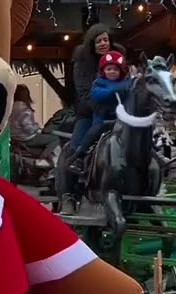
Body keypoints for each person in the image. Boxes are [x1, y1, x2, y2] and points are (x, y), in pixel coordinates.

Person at [58, 24, 125, 210]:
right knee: (75, 147)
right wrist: (101, 107)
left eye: (106, 39)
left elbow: (125, 80)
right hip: (90, 112)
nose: (103, 43)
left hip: (118, 112)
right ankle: (68, 195)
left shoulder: (118, 58)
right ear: (92, 43)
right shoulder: (82, 61)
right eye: (99, 41)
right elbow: (83, 92)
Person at [68, 51, 131, 174]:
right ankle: (80, 156)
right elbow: (96, 95)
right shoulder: (99, 83)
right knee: (94, 131)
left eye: (115, 69)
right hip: (104, 120)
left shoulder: (126, 84)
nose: (112, 71)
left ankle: (152, 152)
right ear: (103, 70)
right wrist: (112, 91)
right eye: (109, 69)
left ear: (121, 71)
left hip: (123, 121)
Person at [9, 84, 57, 166]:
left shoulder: (10, 107)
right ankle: (43, 159)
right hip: (27, 138)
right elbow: (29, 129)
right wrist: (37, 126)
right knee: (55, 139)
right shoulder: (24, 109)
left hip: (14, 138)